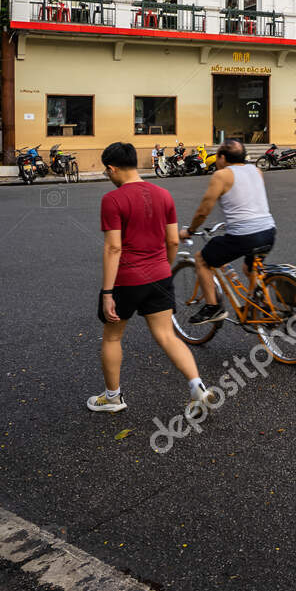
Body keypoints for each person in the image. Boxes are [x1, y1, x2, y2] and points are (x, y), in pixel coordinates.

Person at [87, 141, 217, 417]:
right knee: (167, 336)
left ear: (112, 168)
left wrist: (107, 292)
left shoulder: (113, 200)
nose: (107, 176)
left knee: (112, 338)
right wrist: (163, 269)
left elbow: (113, 247)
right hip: (159, 276)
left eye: (106, 172)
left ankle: (113, 397)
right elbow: (172, 240)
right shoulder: (163, 194)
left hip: (127, 280)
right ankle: (197, 386)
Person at [182, 139, 277, 323]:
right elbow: (249, 201)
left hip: (244, 236)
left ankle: (213, 307)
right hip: (268, 231)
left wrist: (190, 231)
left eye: (217, 157)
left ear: (223, 158)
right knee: (250, 269)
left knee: (202, 260)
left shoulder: (222, 175)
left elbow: (203, 211)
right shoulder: (257, 171)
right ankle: (262, 307)